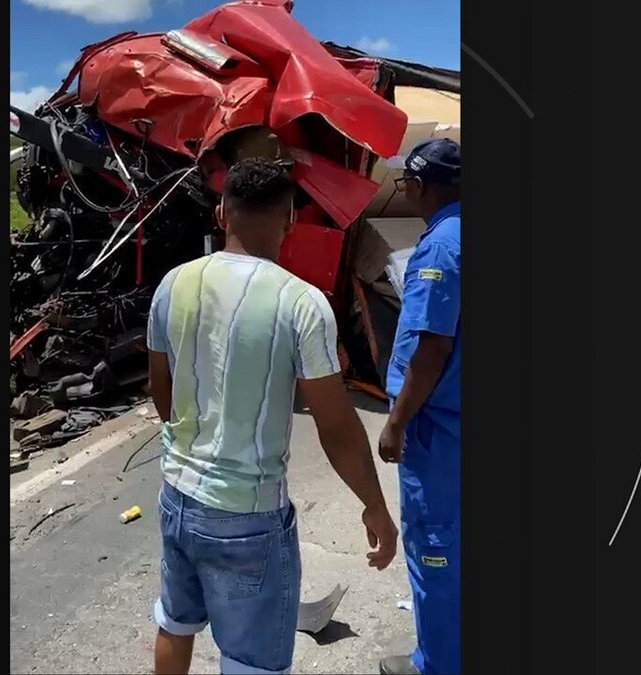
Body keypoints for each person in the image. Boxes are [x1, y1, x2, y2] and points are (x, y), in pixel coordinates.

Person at [146, 157, 399, 675]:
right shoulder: (301, 303)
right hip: (249, 517)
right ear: (290, 220)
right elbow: (335, 426)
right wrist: (374, 505)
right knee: (252, 664)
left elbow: (161, 390)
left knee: (175, 622)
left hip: (177, 497)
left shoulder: (173, 284)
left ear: (222, 213)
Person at [376, 139, 462, 675]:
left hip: (437, 428)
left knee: (435, 550)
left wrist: (396, 422)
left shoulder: (440, 248)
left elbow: (430, 348)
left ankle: (439, 664)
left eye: (405, 182)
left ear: (422, 185)